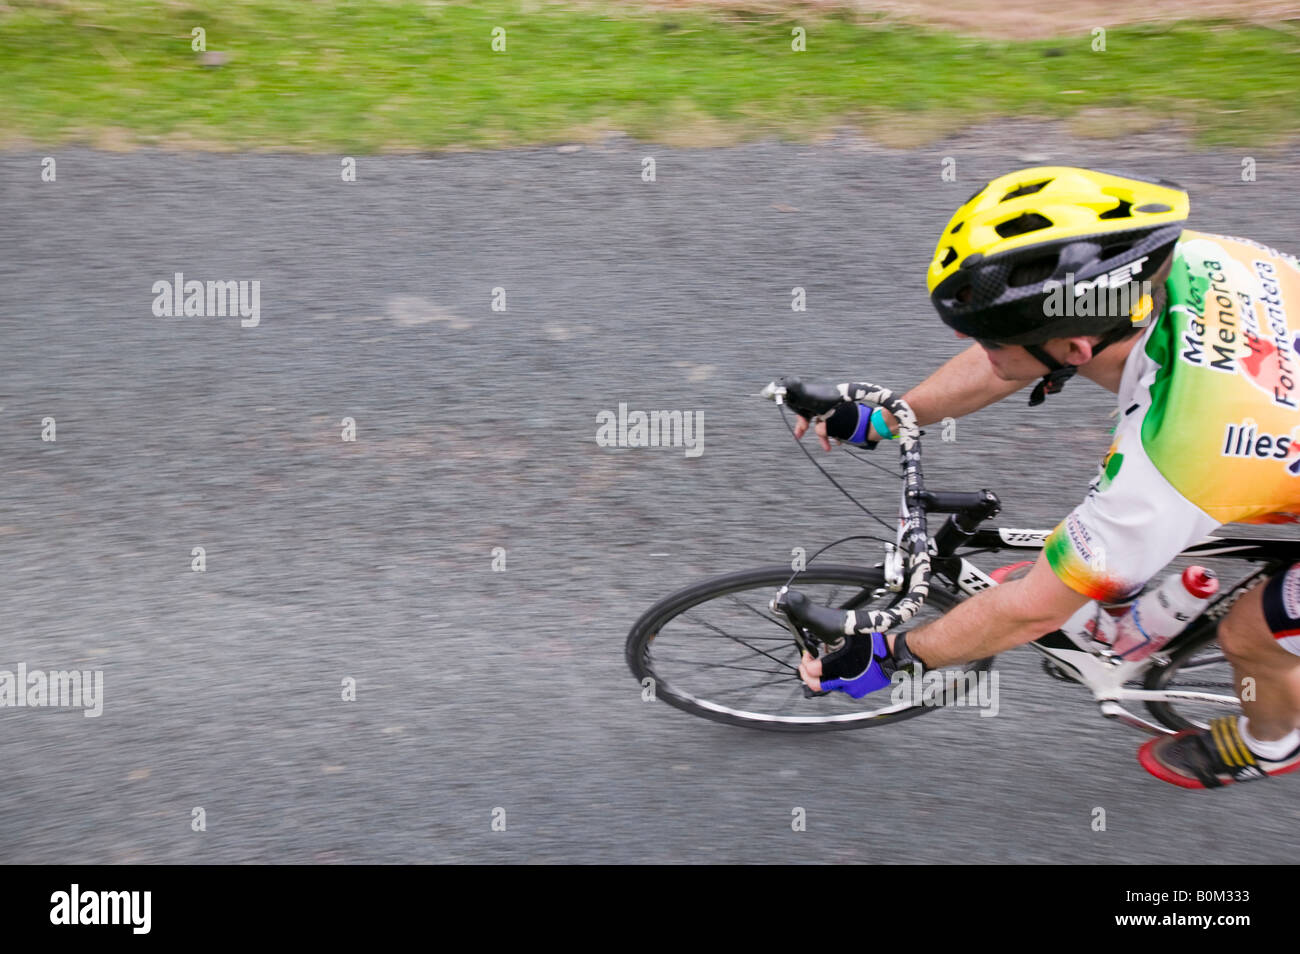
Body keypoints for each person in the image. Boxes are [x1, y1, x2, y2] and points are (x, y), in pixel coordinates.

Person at [784, 166, 1300, 789]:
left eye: (986, 338)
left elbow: (1030, 612)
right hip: (1254, 430)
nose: (973, 346)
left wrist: (896, 656)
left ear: (1077, 347)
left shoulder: (1177, 453)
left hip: (1232, 436)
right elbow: (1012, 362)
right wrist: (889, 417)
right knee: (1125, 535)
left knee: (1252, 635)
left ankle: (1270, 742)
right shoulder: (1193, 260)